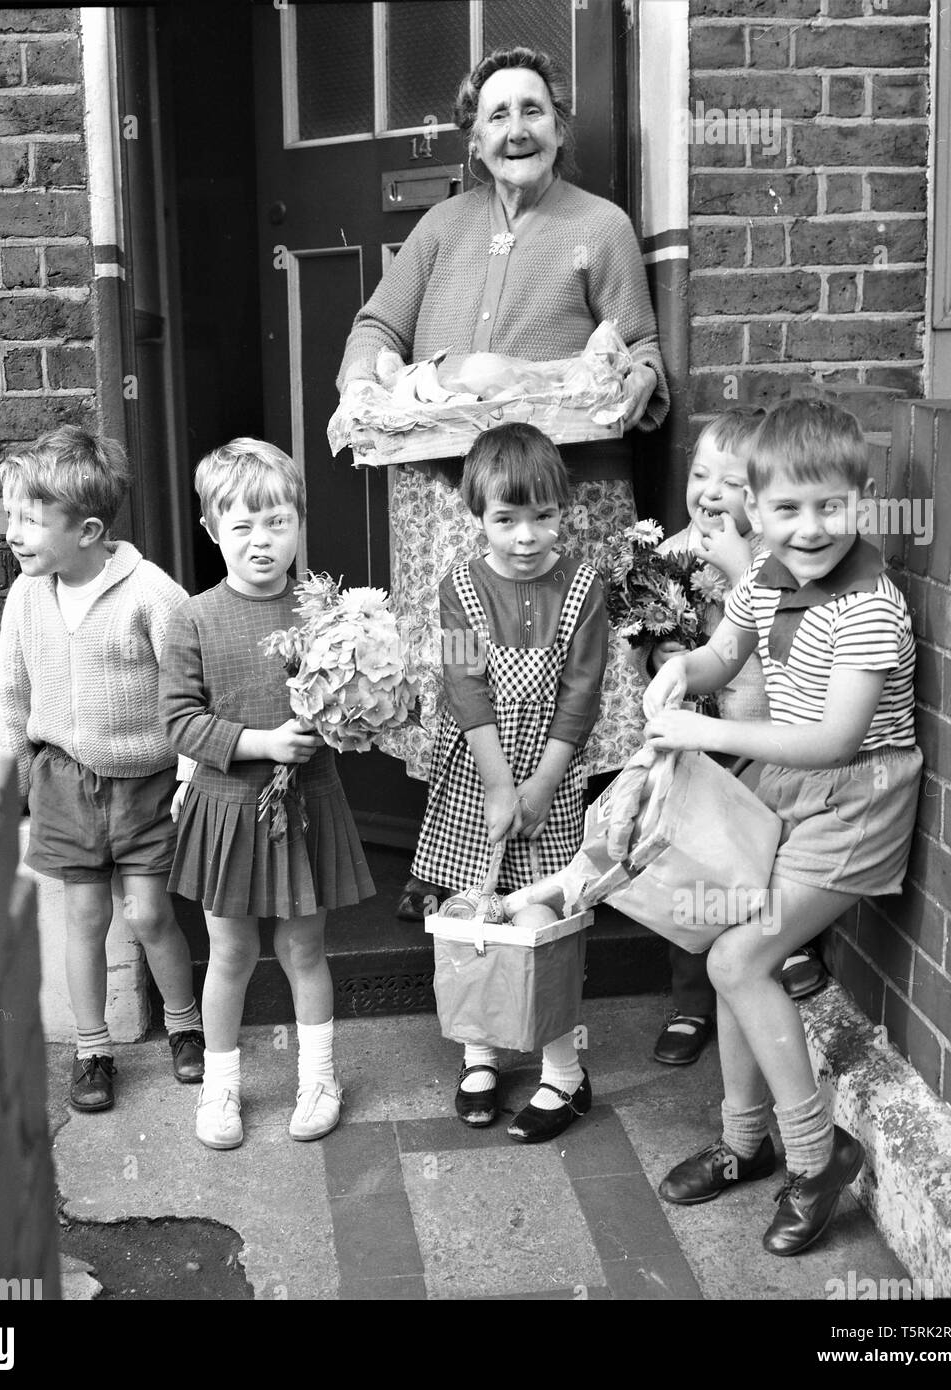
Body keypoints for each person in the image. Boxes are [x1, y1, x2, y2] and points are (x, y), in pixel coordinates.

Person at [336, 45, 668, 919]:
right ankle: (448, 852)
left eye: (530, 110)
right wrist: (367, 382)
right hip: (446, 495)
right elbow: (376, 324)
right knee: (463, 672)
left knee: (563, 673)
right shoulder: (441, 227)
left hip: (559, 493)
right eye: (495, 114)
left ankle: (569, 861)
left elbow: (638, 349)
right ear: (473, 139)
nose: (514, 127)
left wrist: (634, 379)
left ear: (559, 126)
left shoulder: (600, 226)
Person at [643, 398, 922, 1254]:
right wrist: (677, 674)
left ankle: (815, 1157)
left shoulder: (867, 607)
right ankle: (743, 1144)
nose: (810, 528)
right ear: (753, 512)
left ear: (861, 501)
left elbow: (835, 737)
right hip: (788, 789)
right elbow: (724, 655)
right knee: (731, 947)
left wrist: (706, 730)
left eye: (829, 506)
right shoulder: (765, 578)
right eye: (787, 510)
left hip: (854, 799)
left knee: (739, 957)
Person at [160, 440, 375, 1151]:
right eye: (242, 525)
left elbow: (358, 694)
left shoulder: (325, 610)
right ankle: (221, 1090)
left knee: (305, 949)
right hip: (227, 806)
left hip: (306, 800)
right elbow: (179, 721)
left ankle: (318, 1079)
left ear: (300, 523)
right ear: (212, 529)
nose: (261, 541)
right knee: (228, 952)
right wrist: (260, 744)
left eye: (277, 522)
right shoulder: (193, 618)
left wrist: (349, 719)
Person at [0, 426, 204, 1113]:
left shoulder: (152, 594)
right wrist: (5, 794)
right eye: (10, 517)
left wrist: (191, 775)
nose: (13, 534)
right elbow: (12, 703)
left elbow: (190, 689)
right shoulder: (26, 597)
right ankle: (92, 1049)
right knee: (83, 917)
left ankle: (185, 1026)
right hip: (63, 783)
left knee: (147, 914)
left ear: (86, 530)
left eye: (29, 520)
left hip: (144, 786)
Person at [412, 423, 609, 1143]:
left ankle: (565, 1074)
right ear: (477, 516)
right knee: (473, 917)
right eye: (505, 519)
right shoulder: (459, 589)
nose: (525, 536)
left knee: (542, 922)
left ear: (562, 510)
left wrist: (540, 786)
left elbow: (581, 695)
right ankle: (480, 1056)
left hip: (552, 775)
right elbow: (465, 688)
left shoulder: (583, 588)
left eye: (542, 517)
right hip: (478, 767)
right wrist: (500, 786)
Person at [647, 407, 824, 1065]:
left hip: (763, 738)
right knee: (692, 864)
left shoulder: (781, 561)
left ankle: (785, 946)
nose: (709, 494)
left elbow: (790, 640)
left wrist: (739, 568)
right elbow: (650, 651)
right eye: (699, 476)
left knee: (767, 853)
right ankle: (689, 1001)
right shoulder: (663, 559)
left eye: (731, 482)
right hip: (696, 741)